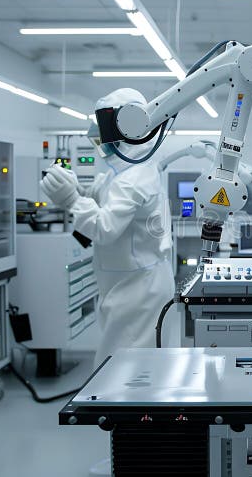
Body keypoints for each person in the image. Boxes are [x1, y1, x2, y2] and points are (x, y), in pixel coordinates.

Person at [40, 88, 175, 369]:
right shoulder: (121, 173)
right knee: (124, 364)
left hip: (139, 288)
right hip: (126, 283)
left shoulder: (134, 178)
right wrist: (76, 190)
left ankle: (133, 413)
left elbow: (105, 227)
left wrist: (71, 200)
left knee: (125, 367)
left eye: (102, 127)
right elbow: (100, 198)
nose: (97, 135)